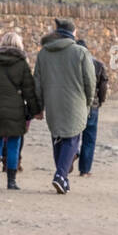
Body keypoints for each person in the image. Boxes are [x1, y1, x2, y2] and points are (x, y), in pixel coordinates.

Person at [32, 18, 96, 194]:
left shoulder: (43, 53)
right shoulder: (81, 52)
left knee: (57, 138)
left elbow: (37, 81)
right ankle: (60, 175)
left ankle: (63, 179)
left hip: (52, 102)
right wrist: (89, 102)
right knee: (72, 138)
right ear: (72, 33)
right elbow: (90, 81)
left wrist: (39, 104)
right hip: (75, 102)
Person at [0, 31, 36, 190]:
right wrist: (35, 109)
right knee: (13, 144)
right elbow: (28, 90)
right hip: (16, 109)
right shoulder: (22, 64)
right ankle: (11, 181)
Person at [74, 38, 109, 177]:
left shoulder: (71, 64)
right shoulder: (98, 65)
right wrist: (100, 101)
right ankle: (85, 170)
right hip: (92, 105)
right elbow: (103, 87)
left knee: (73, 134)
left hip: (74, 105)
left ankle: (73, 153)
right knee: (89, 138)